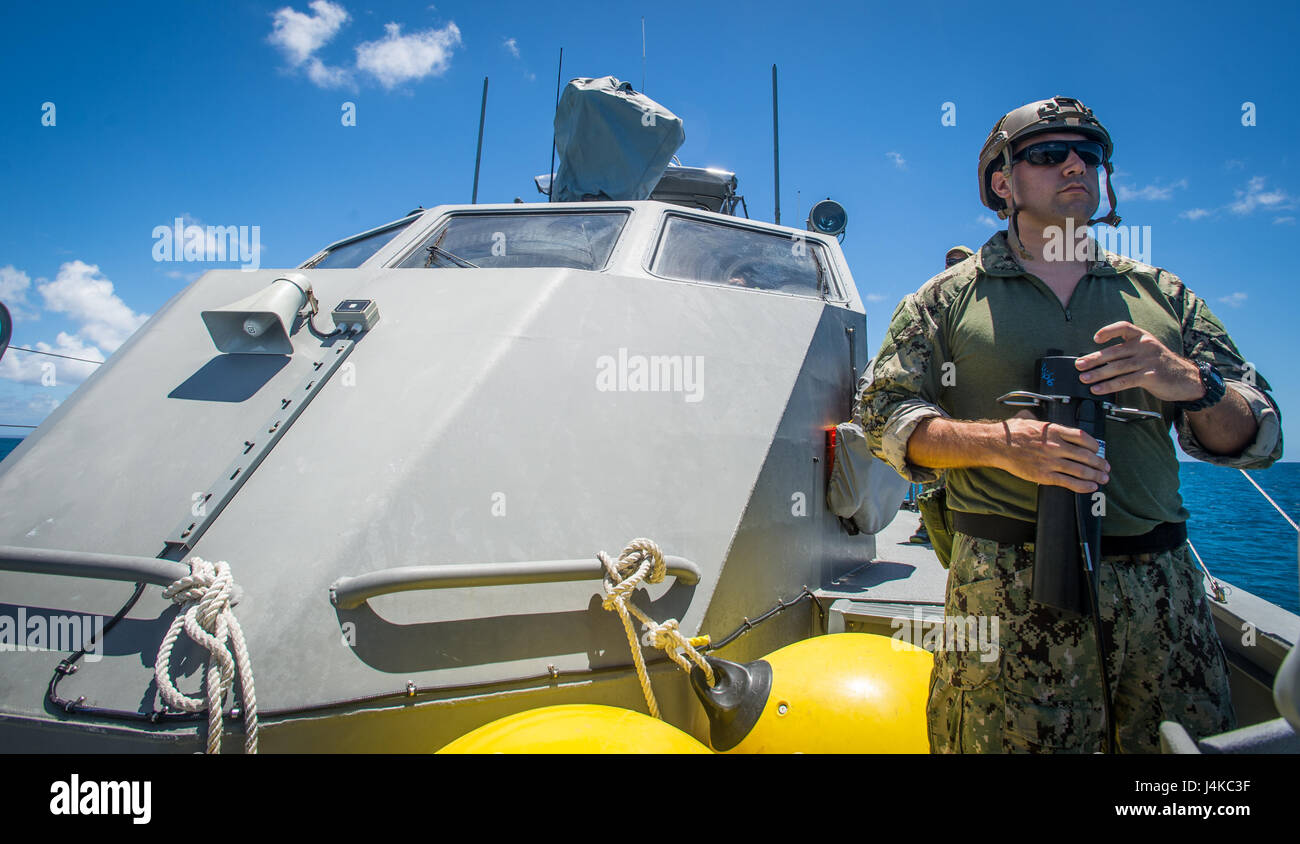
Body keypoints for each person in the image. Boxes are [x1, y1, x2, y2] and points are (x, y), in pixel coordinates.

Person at [861, 96, 1283, 753]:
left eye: (1089, 154)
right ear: (1003, 182)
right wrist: (1000, 445)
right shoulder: (942, 302)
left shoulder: (1166, 298)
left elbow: (1256, 435)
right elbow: (882, 415)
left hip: (1160, 593)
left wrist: (1190, 383)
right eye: (1049, 153)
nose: (1075, 166)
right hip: (1003, 590)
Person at [908, 245, 974, 545]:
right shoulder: (932, 300)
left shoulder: (977, 303)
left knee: (961, 469)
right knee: (933, 467)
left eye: (960, 262)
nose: (953, 265)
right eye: (949, 261)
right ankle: (929, 525)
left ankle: (956, 527)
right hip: (936, 399)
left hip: (966, 402)